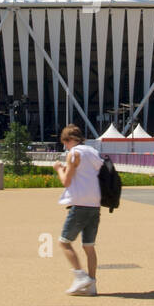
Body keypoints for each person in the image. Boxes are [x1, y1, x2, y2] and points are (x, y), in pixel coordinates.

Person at [53, 124, 103, 295]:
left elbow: (66, 181)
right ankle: (92, 284)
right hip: (95, 204)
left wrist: (59, 169)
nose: (65, 147)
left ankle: (80, 276)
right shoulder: (93, 152)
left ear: (68, 140)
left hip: (79, 204)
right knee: (89, 246)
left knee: (64, 242)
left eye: (65, 143)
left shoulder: (73, 153)